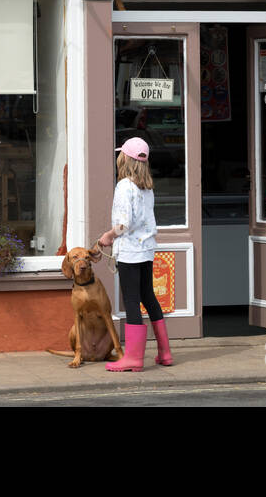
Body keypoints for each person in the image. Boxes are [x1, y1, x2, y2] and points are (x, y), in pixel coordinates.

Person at [97, 137, 172, 371]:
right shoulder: (146, 188)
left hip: (130, 250)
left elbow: (124, 224)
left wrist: (109, 236)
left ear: (125, 159)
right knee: (148, 296)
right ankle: (165, 353)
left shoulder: (124, 187)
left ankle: (133, 358)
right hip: (147, 248)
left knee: (131, 300)